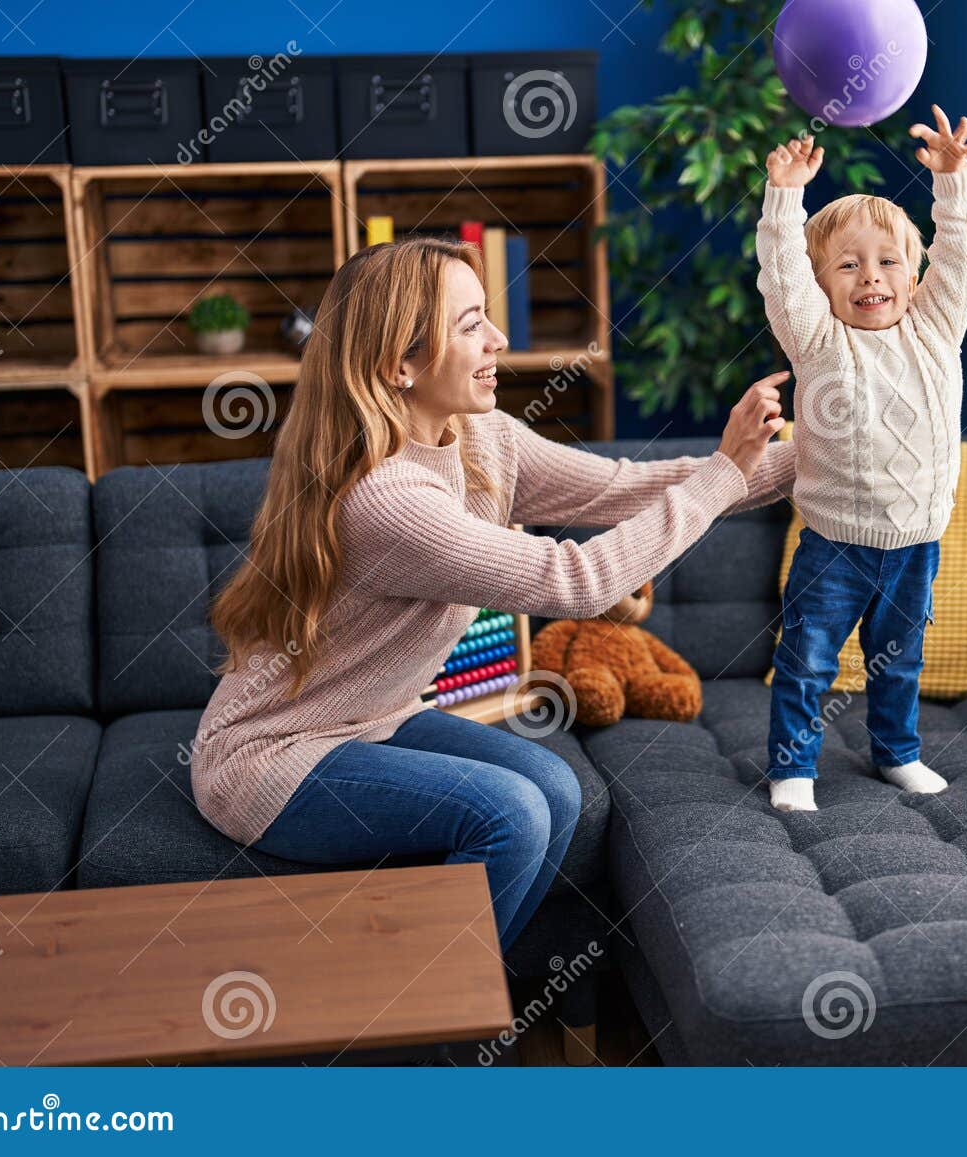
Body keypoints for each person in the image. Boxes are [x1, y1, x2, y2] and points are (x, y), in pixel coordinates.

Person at [190, 235, 795, 949]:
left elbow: (623, 485)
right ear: (400, 364)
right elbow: (577, 580)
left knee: (559, 789)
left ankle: (448, 979)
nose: (499, 339)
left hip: (377, 716)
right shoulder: (386, 499)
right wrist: (724, 473)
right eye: (470, 323)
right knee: (512, 812)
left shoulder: (479, 436)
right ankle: (427, 1026)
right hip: (274, 755)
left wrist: (809, 461)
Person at [756, 106, 967, 812]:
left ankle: (897, 753)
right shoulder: (818, 340)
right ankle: (792, 769)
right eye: (848, 266)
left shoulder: (937, 328)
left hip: (917, 543)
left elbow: (964, 257)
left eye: (889, 262)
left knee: (900, 662)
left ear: (915, 274)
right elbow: (782, 274)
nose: (871, 278)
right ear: (823, 282)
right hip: (833, 546)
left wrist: (953, 184)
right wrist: (785, 196)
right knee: (807, 663)